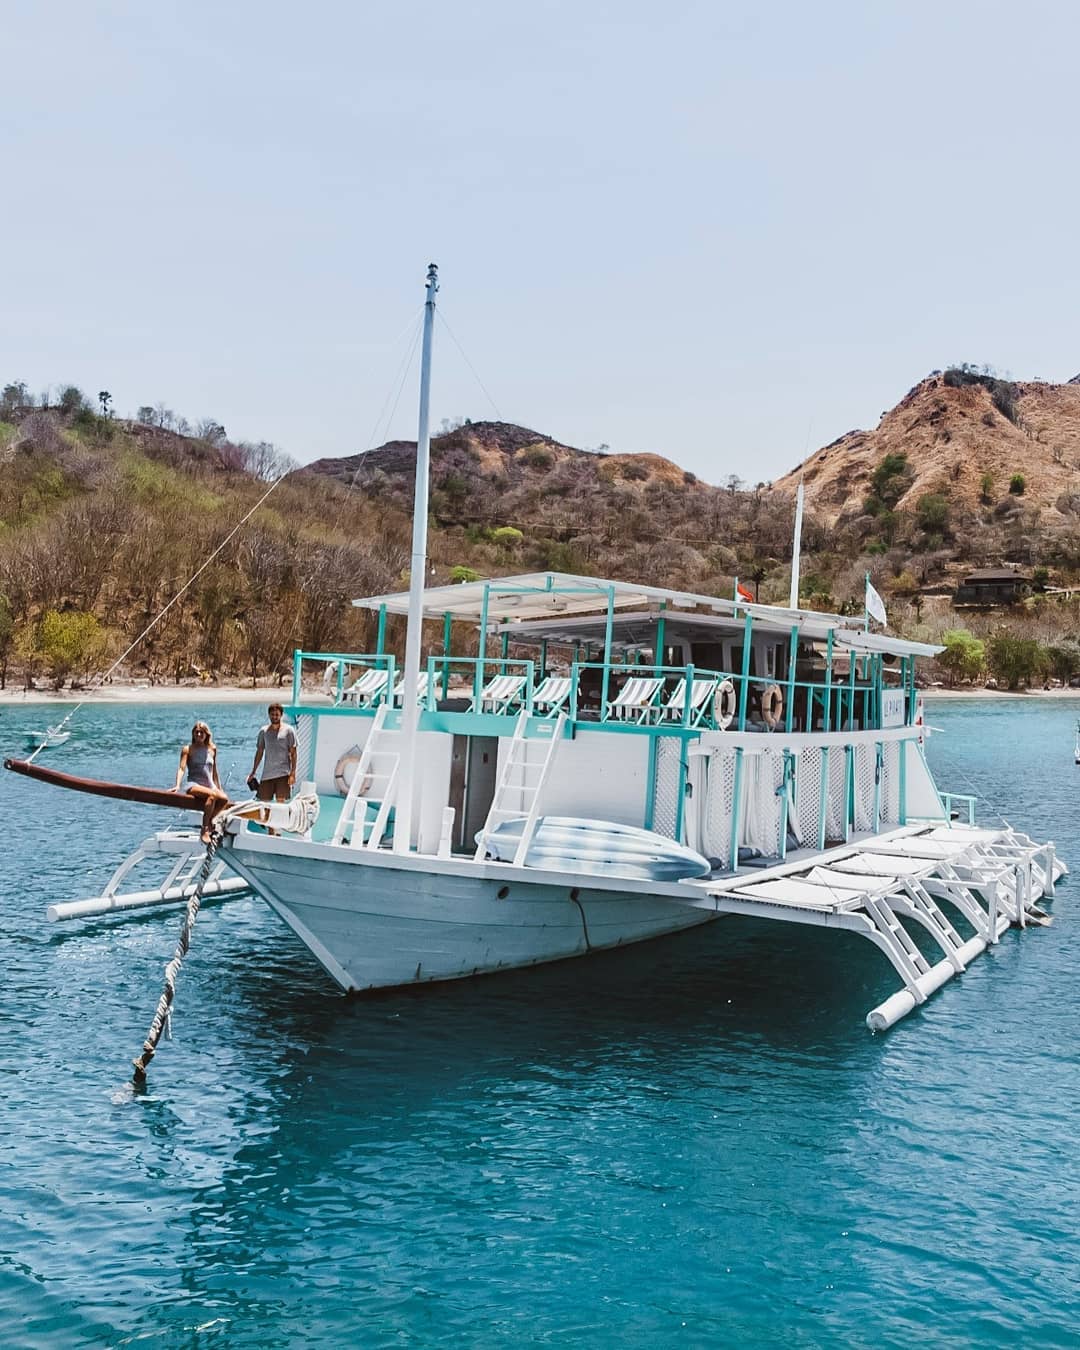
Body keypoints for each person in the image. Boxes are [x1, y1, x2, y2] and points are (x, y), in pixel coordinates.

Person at [173, 720, 229, 844]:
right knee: (212, 795)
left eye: (201, 732)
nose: (198, 735)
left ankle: (209, 821)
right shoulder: (188, 749)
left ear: (206, 734)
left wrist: (219, 787)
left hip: (210, 785)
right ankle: (204, 829)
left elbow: (214, 771)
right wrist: (177, 785)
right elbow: (182, 768)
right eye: (196, 732)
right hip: (193, 784)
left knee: (224, 799)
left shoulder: (212, 749)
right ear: (193, 734)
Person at [249, 703, 298, 826]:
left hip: (283, 773)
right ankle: (270, 829)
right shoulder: (264, 731)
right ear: (269, 715)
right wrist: (253, 771)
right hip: (267, 774)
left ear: (281, 715)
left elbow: (293, 753)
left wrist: (293, 773)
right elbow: (259, 752)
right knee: (264, 802)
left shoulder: (289, 731)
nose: (275, 717)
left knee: (280, 803)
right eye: (272, 714)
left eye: (277, 714)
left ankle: (279, 830)